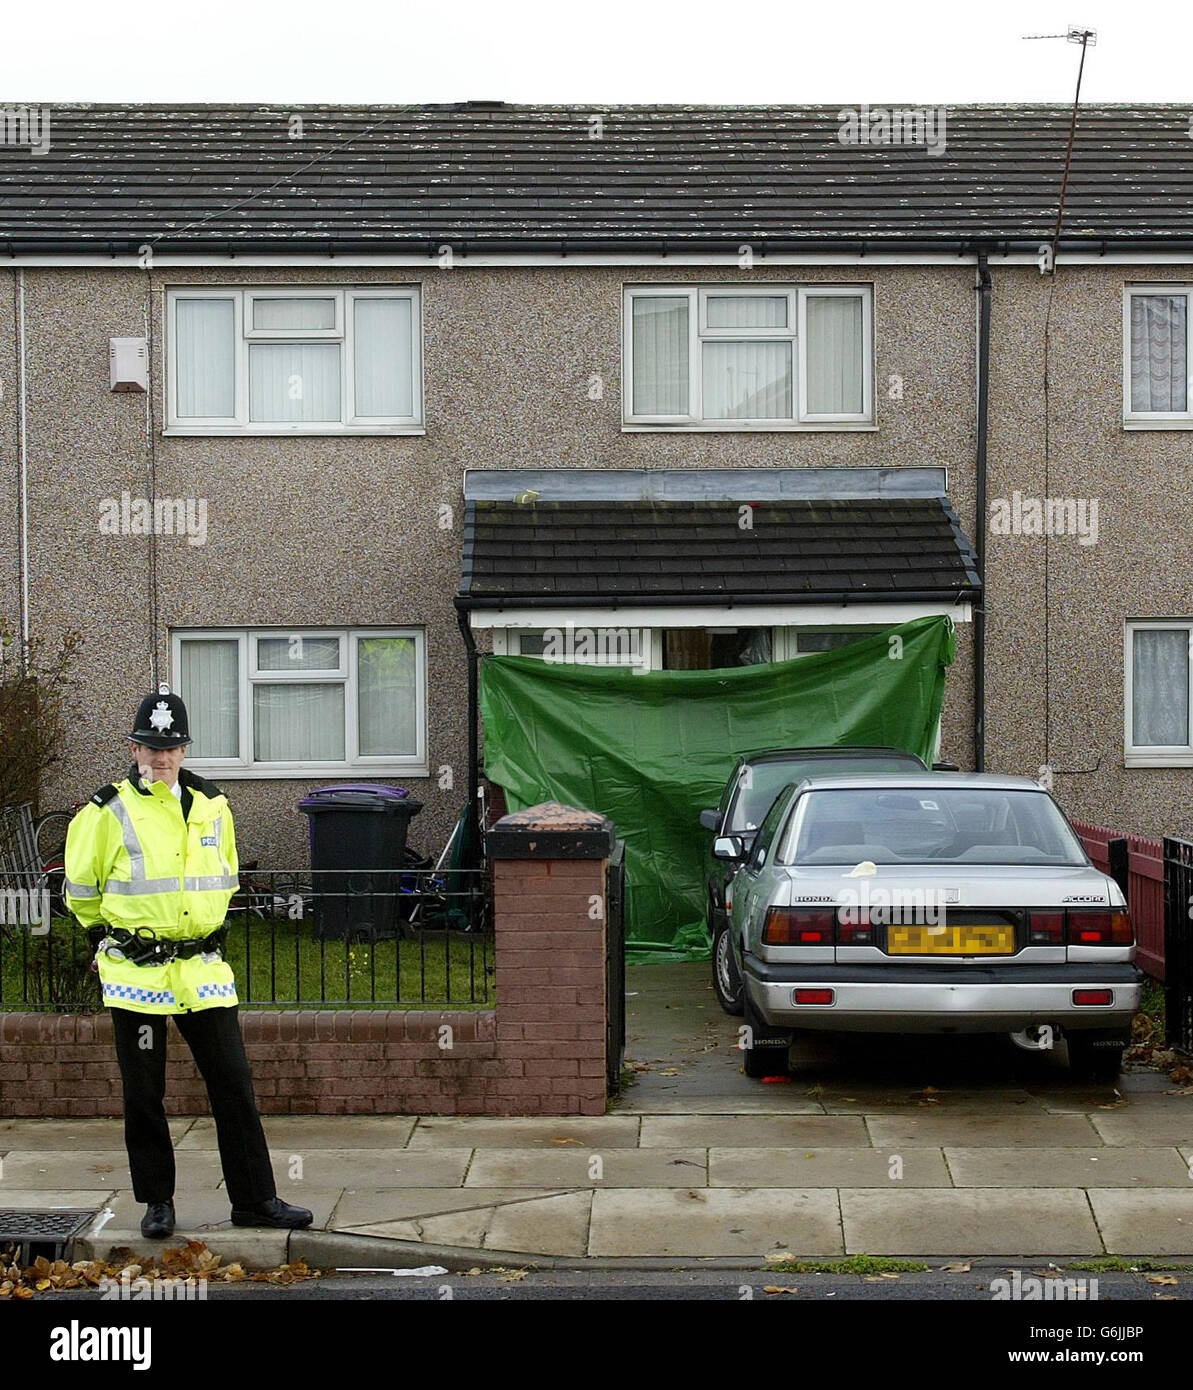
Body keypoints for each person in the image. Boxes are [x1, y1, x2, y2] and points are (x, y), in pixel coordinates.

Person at [64, 685, 312, 1239]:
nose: (161, 756)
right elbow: (80, 893)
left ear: (184, 751)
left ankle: (255, 1200)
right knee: (143, 1093)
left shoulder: (213, 806)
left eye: (171, 747)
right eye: (151, 746)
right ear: (133, 749)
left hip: (201, 971)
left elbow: (224, 877)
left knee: (233, 1084)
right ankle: (157, 1202)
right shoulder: (106, 811)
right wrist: (110, 940)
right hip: (135, 973)